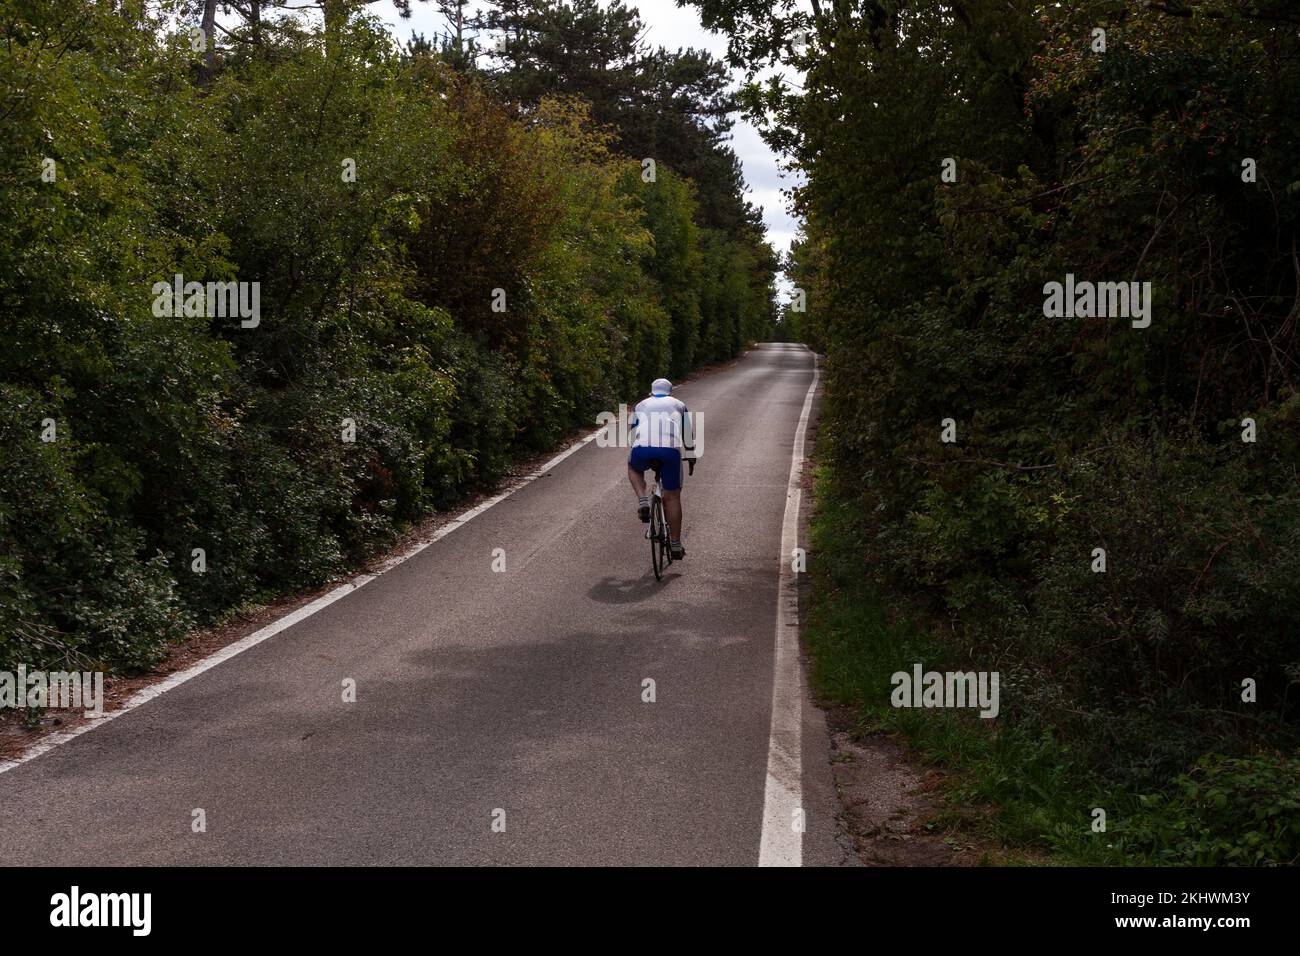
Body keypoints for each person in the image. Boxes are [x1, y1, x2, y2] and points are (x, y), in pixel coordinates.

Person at [627, 378, 697, 560]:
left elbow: (632, 434)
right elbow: (687, 435)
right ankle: (675, 544)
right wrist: (690, 456)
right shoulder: (679, 404)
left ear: (651, 391)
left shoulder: (640, 405)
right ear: (670, 392)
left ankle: (643, 500)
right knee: (672, 497)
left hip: (642, 448)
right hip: (670, 451)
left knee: (633, 467)